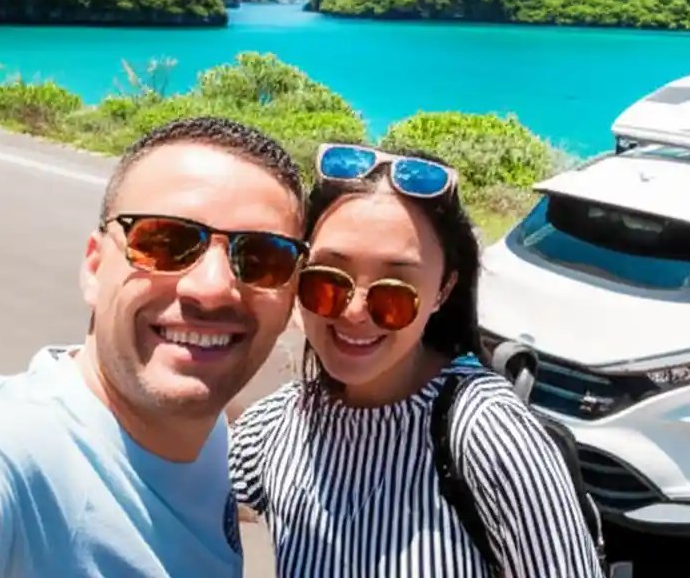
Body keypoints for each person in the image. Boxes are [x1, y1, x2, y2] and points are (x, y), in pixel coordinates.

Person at [0, 116, 309, 577]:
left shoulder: (213, 438)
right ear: (95, 269)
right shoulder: (3, 455)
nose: (213, 287)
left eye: (263, 258)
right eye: (164, 241)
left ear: (292, 302)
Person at [227, 142, 606, 577]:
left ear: (443, 290)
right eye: (327, 281)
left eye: (395, 292)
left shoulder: (486, 432)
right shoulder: (280, 426)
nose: (354, 312)